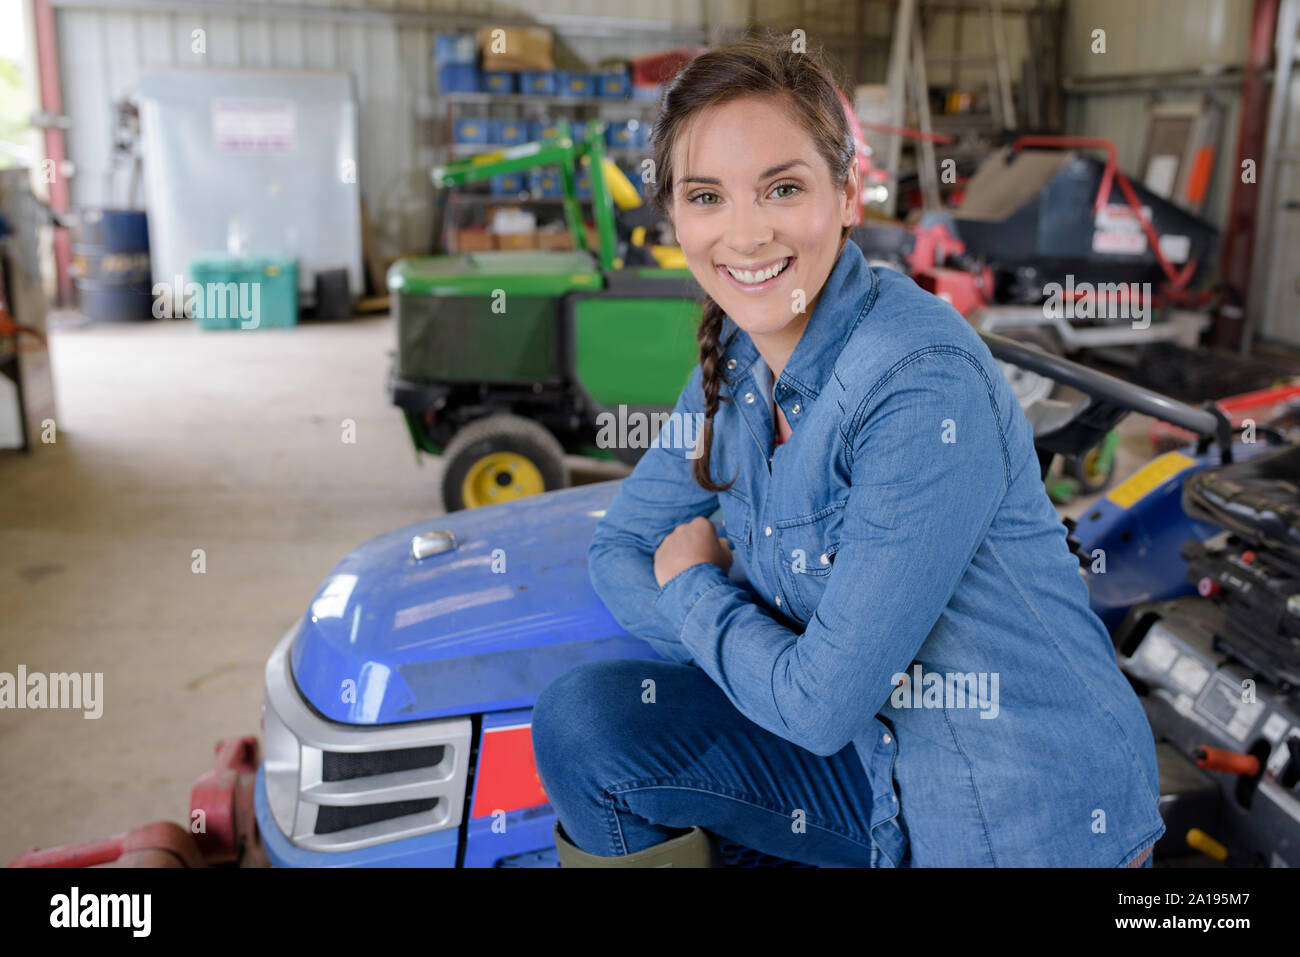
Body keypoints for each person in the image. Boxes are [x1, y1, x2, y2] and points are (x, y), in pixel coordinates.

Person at [530, 35, 1164, 868]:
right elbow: (618, 548)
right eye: (708, 196)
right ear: (675, 215)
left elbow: (820, 704)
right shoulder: (733, 361)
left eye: (782, 188)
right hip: (862, 754)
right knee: (588, 723)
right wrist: (777, 661)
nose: (746, 234)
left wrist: (694, 591)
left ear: (848, 195)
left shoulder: (917, 384)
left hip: (1007, 812)